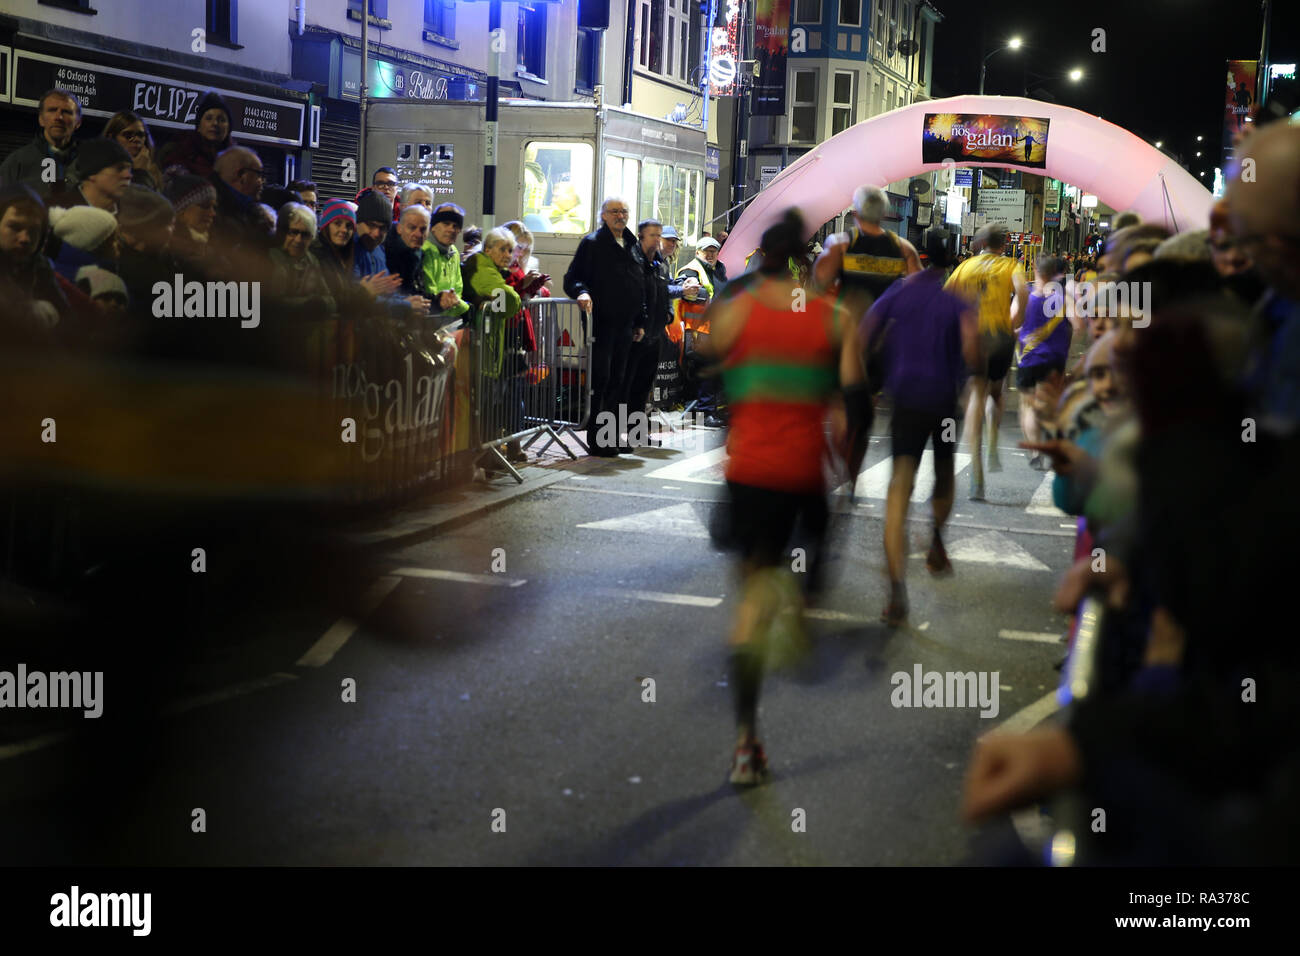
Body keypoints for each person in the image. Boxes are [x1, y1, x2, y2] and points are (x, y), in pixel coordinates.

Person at [696, 208, 860, 786]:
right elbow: (845, 414)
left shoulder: (733, 311)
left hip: (748, 473)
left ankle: (745, 744)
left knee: (746, 607)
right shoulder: (831, 316)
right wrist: (846, 465)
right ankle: (800, 607)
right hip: (801, 476)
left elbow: (713, 377)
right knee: (808, 564)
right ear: (804, 259)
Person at [863, 237, 980, 625]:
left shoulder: (898, 294)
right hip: (944, 407)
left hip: (906, 406)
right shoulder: (957, 302)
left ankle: (896, 593)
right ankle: (935, 539)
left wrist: (879, 373)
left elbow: (865, 335)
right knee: (944, 473)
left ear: (920, 257)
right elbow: (971, 351)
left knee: (901, 484)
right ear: (950, 264)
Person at [943, 223, 1029, 499]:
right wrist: (1014, 319)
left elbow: (946, 298)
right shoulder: (1011, 266)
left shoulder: (964, 267)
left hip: (972, 339)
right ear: (1004, 244)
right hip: (1000, 335)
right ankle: (993, 436)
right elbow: (1023, 293)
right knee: (996, 391)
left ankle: (976, 475)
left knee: (975, 396)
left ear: (981, 243)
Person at [563, 196, 647, 455]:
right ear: (603, 215)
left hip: (626, 326)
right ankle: (598, 440)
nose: (620, 216)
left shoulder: (632, 243)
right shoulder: (592, 244)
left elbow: (638, 283)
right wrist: (582, 293)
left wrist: (639, 320)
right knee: (603, 379)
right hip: (602, 324)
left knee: (619, 381)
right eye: (614, 212)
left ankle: (610, 436)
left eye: (624, 211)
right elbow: (572, 279)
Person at [813, 184, 922, 320]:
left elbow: (820, 284)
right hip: (886, 330)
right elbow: (920, 292)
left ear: (856, 213)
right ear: (883, 214)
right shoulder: (904, 249)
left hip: (849, 329)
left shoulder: (839, 245)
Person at [1015, 255, 1073, 469]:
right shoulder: (1061, 297)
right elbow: (1078, 324)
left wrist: (1017, 333)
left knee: (1027, 406)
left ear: (1036, 271)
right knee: (1051, 403)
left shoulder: (1026, 296)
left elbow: (1013, 319)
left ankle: (1034, 452)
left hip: (1029, 357)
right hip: (1056, 358)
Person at [0, 184, 69, 340]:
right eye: (14, 227)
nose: (25, 239)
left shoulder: (39, 266)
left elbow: (68, 319)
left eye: (33, 231)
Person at [627, 218, 672, 430]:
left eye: (658, 235)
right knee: (628, 383)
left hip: (655, 332)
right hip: (635, 334)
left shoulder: (660, 263)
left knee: (644, 385)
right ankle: (619, 430)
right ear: (641, 237)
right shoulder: (632, 260)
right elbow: (633, 295)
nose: (656, 239)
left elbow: (665, 291)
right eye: (652, 235)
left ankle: (637, 430)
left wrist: (668, 315)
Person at [677, 236, 726, 425]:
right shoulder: (691, 270)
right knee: (706, 369)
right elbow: (687, 291)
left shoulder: (719, 269)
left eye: (714, 250)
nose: (711, 254)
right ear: (698, 252)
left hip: (716, 328)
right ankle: (705, 413)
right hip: (699, 331)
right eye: (707, 251)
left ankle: (710, 410)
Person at [0, 89, 82, 197]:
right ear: (41, 119)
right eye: (52, 110)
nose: (59, 117)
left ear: (78, 122)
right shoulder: (17, 162)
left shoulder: (91, 164)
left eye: (66, 112)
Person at [267, 202, 335, 313]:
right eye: (293, 232)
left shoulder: (312, 260)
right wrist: (309, 303)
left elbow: (330, 301)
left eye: (305, 235)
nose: (298, 240)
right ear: (283, 232)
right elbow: (272, 305)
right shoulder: (271, 258)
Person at [159, 91, 234, 179]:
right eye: (209, 118)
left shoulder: (237, 160)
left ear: (229, 128)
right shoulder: (179, 152)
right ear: (199, 126)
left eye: (221, 120)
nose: (215, 123)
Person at [419, 202, 470, 325]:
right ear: (433, 226)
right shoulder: (424, 250)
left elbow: (458, 288)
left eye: (456, 226)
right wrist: (465, 308)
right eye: (446, 224)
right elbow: (430, 291)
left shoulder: (454, 252)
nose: (451, 229)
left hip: (449, 321)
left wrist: (457, 304)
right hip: (428, 321)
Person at [51, 139, 133, 214]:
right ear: (92, 173)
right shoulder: (56, 213)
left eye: (129, 169)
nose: (128, 175)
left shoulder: (135, 212)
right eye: (119, 169)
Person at [100, 112, 164, 192]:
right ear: (111, 138)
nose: (137, 140)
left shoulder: (155, 173)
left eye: (141, 135)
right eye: (128, 135)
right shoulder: (102, 171)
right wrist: (140, 173)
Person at [164, 174, 218, 267]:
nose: (213, 213)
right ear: (180, 211)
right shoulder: (167, 254)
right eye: (205, 206)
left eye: (214, 207)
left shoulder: (214, 252)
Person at [384, 203, 432, 298]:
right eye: (412, 228)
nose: (418, 234)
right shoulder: (385, 254)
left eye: (423, 229)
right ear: (399, 228)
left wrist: (440, 300)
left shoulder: (418, 253)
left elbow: (415, 294)